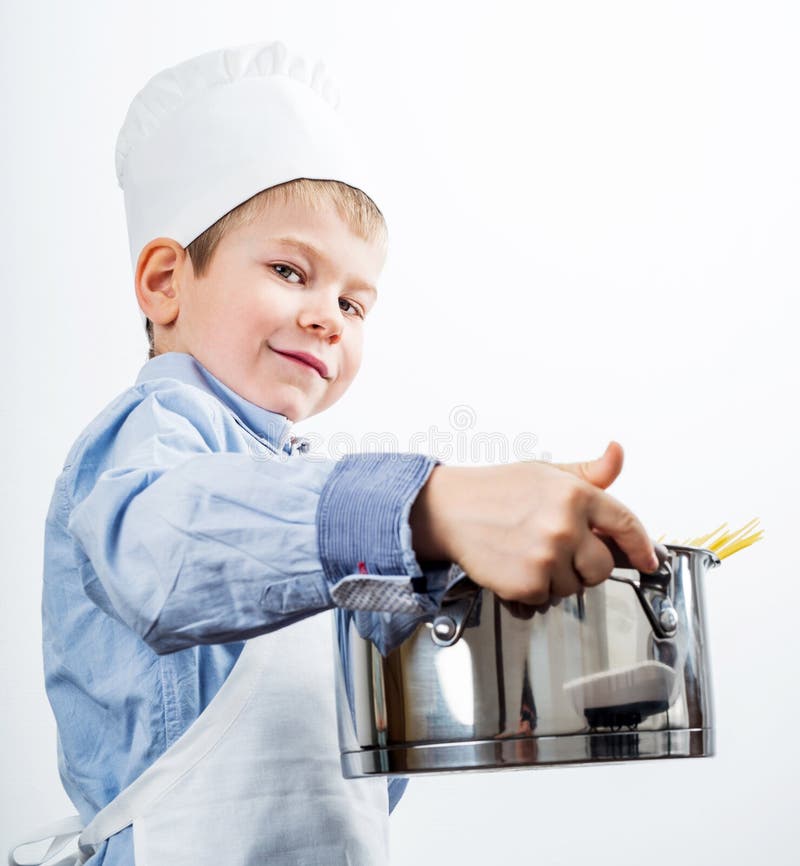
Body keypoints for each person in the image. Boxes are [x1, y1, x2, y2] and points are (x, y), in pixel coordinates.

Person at [16, 40, 659, 866]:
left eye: (355, 302)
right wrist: (427, 504)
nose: (330, 318)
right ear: (165, 282)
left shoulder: (295, 481)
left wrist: (479, 571)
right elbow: (160, 549)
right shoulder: (156, 432)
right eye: (291, 270)